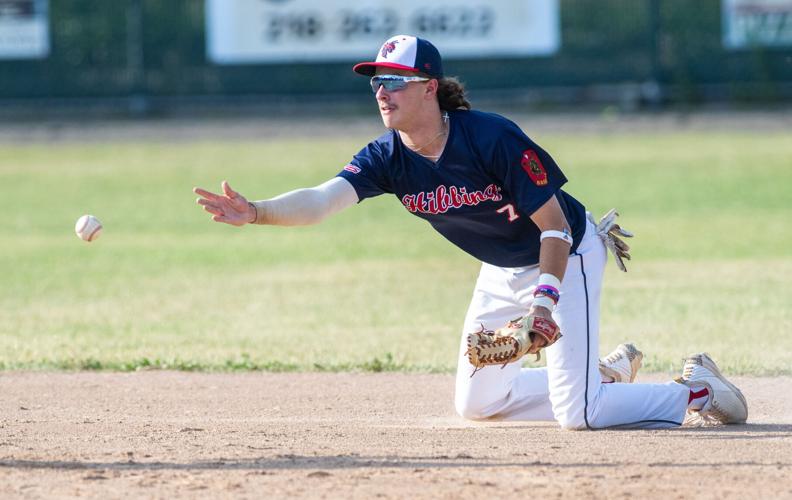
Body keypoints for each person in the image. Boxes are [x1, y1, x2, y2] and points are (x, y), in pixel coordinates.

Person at [194, 35, 747, 429]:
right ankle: (597, 373)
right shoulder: (387, 157)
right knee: (478, 405)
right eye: (376, 83)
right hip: (502, 268)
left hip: (567, 255)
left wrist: (544, 305)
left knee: (579, 416)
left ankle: (695, 391)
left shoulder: (491, 139)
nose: (381, 92)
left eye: (395, 81)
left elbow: (553, 228)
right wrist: (258, 211)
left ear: (430, 87)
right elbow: (320, 201)